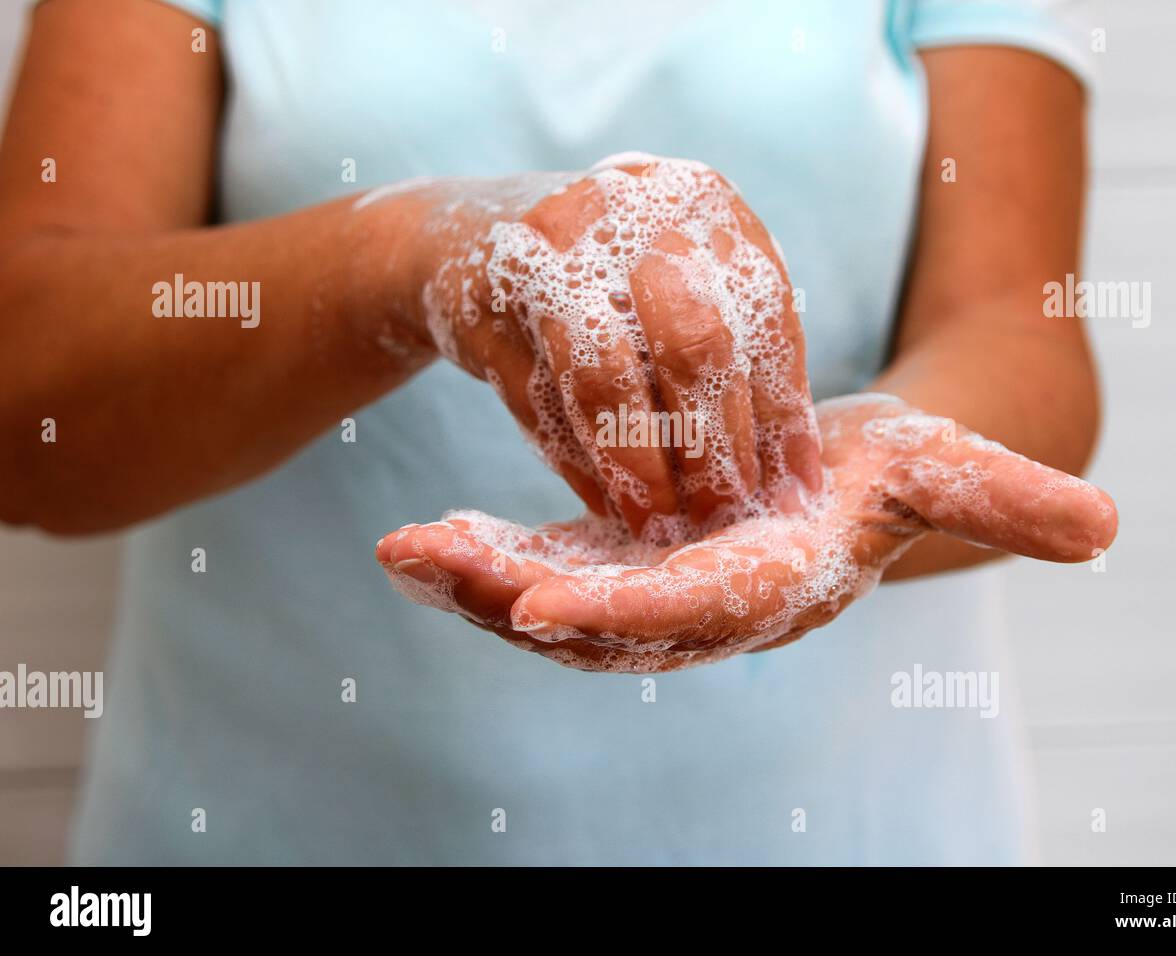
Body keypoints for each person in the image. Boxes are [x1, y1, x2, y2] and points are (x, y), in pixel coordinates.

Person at [0, 0, 1114, 864]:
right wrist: (399, 263)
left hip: (845, 826)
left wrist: (863, 479)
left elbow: (1014, 319)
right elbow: (28, 392)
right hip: (267, 823)